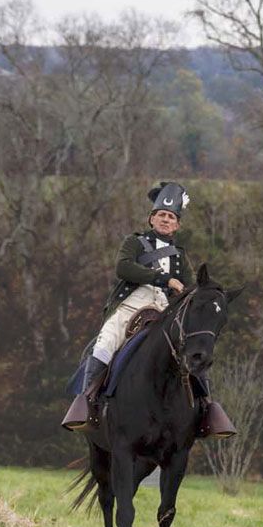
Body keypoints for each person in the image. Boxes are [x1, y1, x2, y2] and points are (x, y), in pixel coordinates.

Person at [62, 181, 226, 436]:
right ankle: (87, 404)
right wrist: (163, 278)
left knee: (192, 348)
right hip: (133, 303)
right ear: (151, 218)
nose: (165, 219)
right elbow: (124, 268)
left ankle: (206, 409)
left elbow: (190, 286)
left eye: (171, 217)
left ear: (177, 225)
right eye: (161, 214)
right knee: (105, 342)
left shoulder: (180, 256)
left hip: (165, 308)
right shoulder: (134, 243)